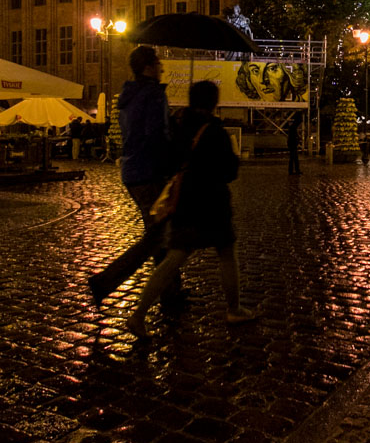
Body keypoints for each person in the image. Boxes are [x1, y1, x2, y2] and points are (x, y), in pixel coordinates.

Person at [127, 81, 255, 338]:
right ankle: (234, 308)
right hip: (213, 202)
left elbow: (168, 160)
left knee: (174, 258)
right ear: (213, 102)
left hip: (184, 201)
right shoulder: (216, 132)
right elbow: (230, 171)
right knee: (226, 252)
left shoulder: (178, 126)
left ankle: (139, 313)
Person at [89, 46, 182, 305]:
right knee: (158, 237)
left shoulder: (128, 97)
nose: (162, 68)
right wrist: (172, 157)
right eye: (158, 63)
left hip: (132, 170)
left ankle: (171, 291)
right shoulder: (153, 95)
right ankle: (105, 282)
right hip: (150, 170)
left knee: (161, 234)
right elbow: (156, 135)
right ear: (149, 67)